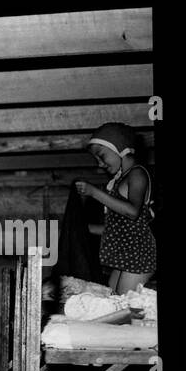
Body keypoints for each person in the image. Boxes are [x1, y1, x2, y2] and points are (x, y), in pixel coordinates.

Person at [73, 122, 155, 293]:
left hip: (138, 254)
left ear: (121, 150)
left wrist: (94, 192)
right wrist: (82, 228)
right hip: (126, 256)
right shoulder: (118, 182)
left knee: (124, 304)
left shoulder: (137, 174)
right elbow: (118, 228)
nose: (100, 164)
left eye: (102, 156)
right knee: (111, 299)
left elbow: (132, 212)